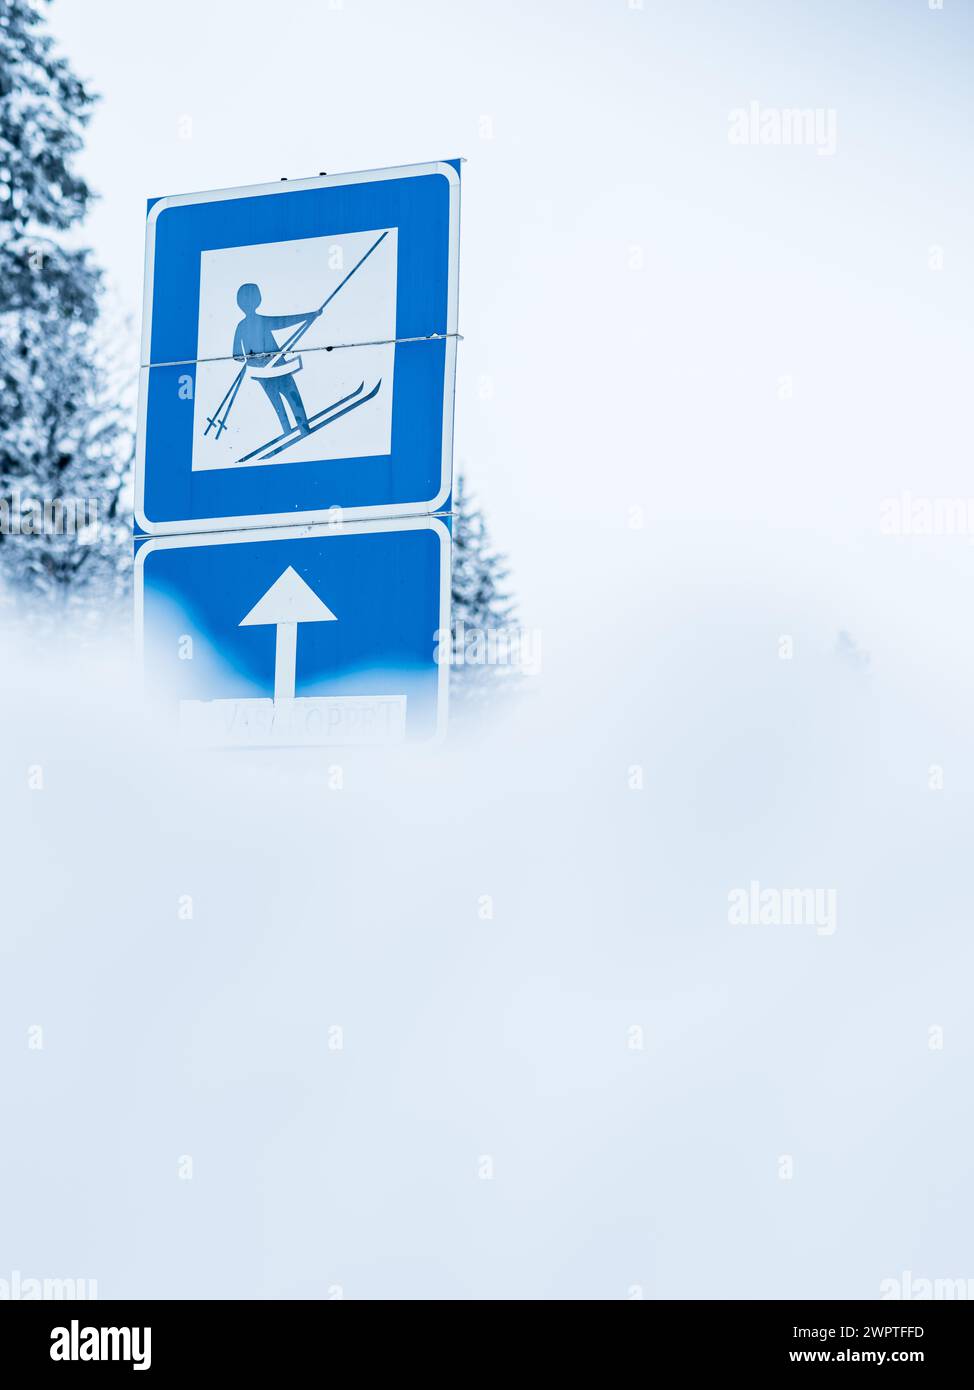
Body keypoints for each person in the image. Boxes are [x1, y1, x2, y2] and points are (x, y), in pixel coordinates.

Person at [232, 283, 320, 434]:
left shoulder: (247, 324)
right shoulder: (249, 324)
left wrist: (309, 316)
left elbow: (284, 321)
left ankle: (292, 429)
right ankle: (299, 428)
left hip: (271, 369)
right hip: (272, 369)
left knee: (281, 403)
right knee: (291, 399)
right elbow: (237, 355)